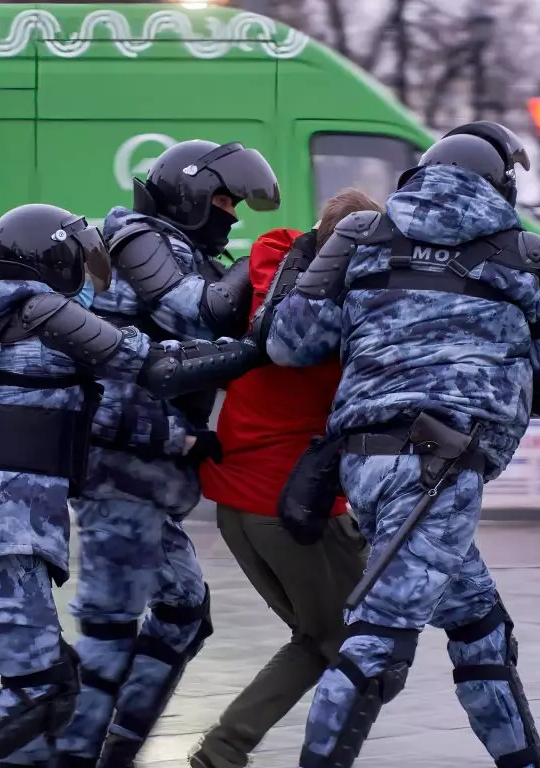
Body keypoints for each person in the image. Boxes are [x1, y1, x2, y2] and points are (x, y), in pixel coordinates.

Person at [261, 122, 540, 768]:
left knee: (480, 630)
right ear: (501, 186)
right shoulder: (527, 256)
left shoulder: (363, 237)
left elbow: (287, 343)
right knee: (378, 648)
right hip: (441, 471)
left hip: (363, 464)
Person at [0, 203, 264, 768]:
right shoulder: (43, 312)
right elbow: (150, 364)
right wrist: (254, 348)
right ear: (54, 258)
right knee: (39, 689)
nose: (89, 278)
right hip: (5, 525)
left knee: (51, 685)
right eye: (79, 259)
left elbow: (88, 408)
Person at [24, 140, 281, 768]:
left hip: (146, 471)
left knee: (185, 614)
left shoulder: (182, 253)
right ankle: (52, 756)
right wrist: (273, 256)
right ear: (190, 192)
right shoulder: (143, 242)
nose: (231, 214)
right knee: (110, 638)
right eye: (223, 200)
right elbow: (201, 318)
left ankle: (111, 750)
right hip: (119, 464)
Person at [191, 190, 383, 768]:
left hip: (235, 502)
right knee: (349, 638)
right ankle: (224, 752)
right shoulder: (349, 312)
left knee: (321, 635)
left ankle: (226, 751)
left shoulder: (271, 275)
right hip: (294, 506)